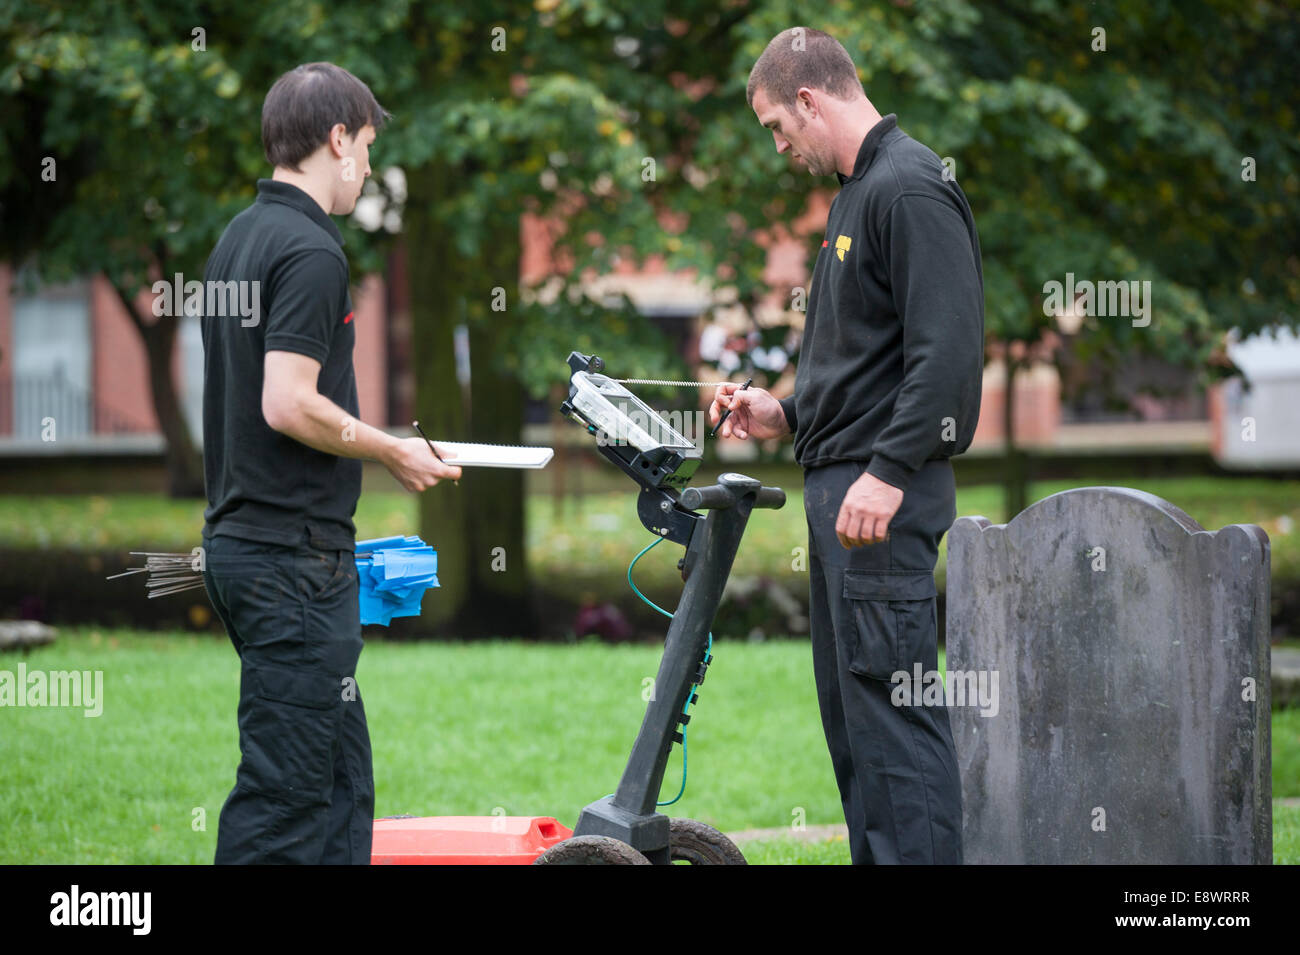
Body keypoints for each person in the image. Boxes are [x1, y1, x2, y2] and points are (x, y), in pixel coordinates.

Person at [710, 27, 984, 864]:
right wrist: (785, 415)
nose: (779, 146)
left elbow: (948, 358)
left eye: (775, 127)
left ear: (808, 99)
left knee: (897, 734)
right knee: (859, 734)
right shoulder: (855, 196)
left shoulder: (908, 189)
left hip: (879, 505)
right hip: (844, 496)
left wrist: (889, 472)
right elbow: (872, 365)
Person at [200, 62, 461, 864]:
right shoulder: (311, 249)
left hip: (254, 550)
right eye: (369, 147)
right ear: (337, 139)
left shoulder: (237, 238)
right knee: (284, 800)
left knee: (342, 783)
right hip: (288, 565)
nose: (371, 168)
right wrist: (388, 448)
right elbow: (285, 400)